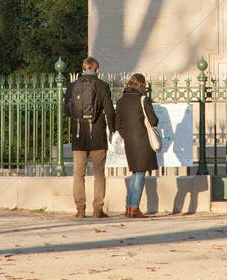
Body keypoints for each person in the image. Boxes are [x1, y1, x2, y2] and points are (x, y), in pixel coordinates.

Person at [64, 56, 115, 219]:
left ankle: (80, 209)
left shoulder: (72, 86)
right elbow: (109, 110)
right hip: (97, 135)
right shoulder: (103, 86)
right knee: (99, 173)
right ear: (97, 70)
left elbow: (66, 111)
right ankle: (97, 209)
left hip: (79, 135)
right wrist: (112, 128)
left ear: (82, 69)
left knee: (78, 173)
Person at [114, 72, 160, 218]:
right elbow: (153, 121)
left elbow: (117, 124)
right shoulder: (143, 99)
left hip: (129, 141)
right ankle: (134, 208)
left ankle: (129, 207)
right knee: (140, 174)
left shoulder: (121, 101)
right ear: (142, 84)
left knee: (135, 173)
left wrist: (127, 135)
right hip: (142, 140)